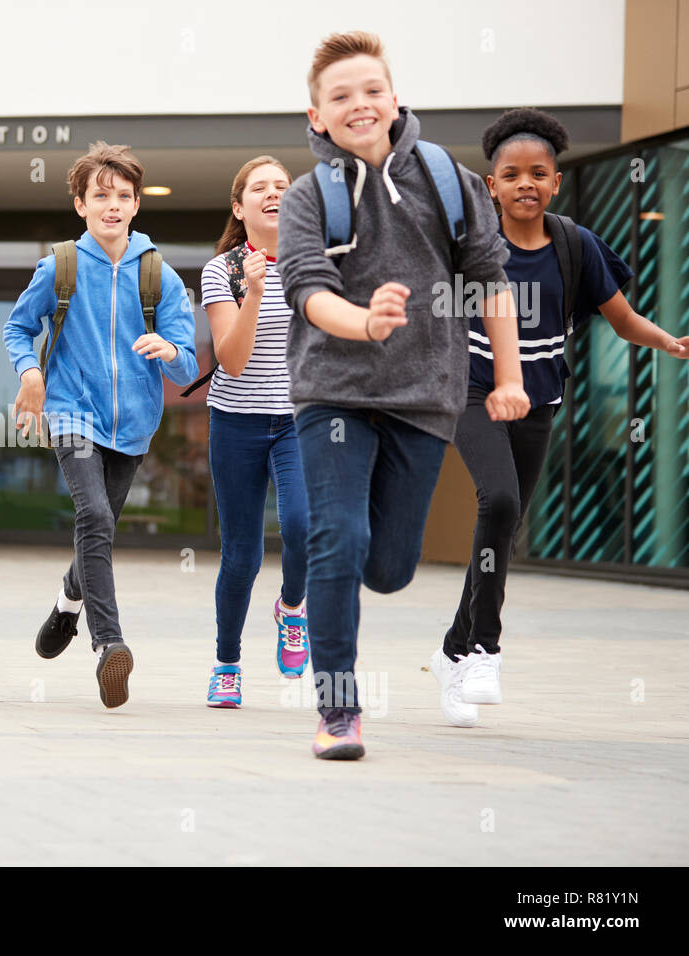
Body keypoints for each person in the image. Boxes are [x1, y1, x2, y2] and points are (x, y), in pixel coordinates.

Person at [276, 32, 530, 758]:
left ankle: (329, 585)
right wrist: (365, 321)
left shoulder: (448, 179)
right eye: (340, 96)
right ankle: (337, 709)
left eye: (371, 90)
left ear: (394, 97)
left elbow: (489, 280)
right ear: (317, 116)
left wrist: (508, 379)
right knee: (339, 538)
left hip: (425, 399)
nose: (359, 104)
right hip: (334, 394)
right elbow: (308, 294)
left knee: (387, 568)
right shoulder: (306, 197)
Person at [434, 108, 689, 726]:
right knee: (498, 502)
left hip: (541, 402)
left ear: (554, 183)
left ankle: (451, 653)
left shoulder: (576, 245)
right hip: (472, 393)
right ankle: (484, 649)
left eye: (539, 173)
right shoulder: (469, 248)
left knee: (506, 523)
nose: (526, 183)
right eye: (512, 173)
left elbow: (622, 319)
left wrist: (672, 343)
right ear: (490, 185)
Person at [4, 142, 199, 708]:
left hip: (135, 422)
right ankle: (108, 644)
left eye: (122, 196)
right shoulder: (59, 265)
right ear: (81, 204)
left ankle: (68, 602)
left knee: (101, 525)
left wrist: (169, 348)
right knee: (93, 515)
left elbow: (189, 363)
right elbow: (18, 329)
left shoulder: (158, 272)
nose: (112, 205)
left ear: (136, 205)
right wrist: (30, 374)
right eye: (100, 195)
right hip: (70, 410)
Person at [199, 156, 309, 707]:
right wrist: (258, 293)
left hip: (298, 420)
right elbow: (233, 361)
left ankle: (292, 608)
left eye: (283, 186)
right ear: (239, 208)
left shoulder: (318, 263)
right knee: (240, 554)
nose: (273, 193)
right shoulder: (222, 271)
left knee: (302, 523)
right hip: (236, 421)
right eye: (259, 188)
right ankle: (227, 662)